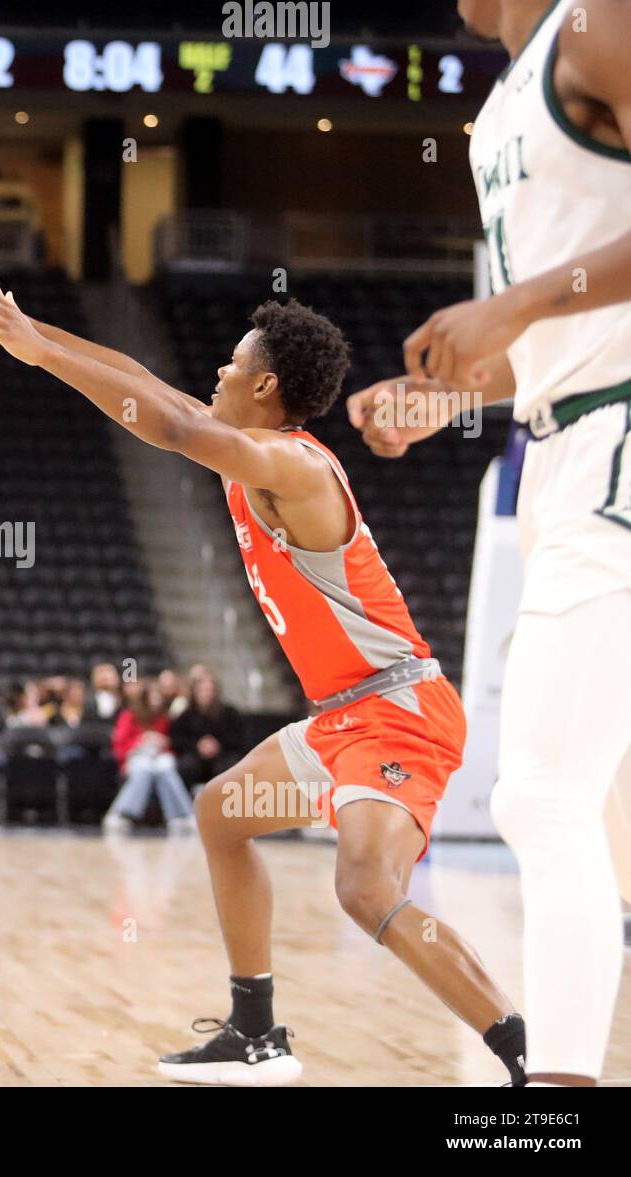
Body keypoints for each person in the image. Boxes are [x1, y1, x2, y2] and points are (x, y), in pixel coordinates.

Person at [0, 231, 527, 1086]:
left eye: (229, 363)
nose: (214, 373)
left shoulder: (290, 464)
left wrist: (40, 351)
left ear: (264, 385)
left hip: (397, 711)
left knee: (366, 889)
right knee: (223, 811)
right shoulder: (244, 446)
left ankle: (526, 1053)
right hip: (345, 712)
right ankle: (256, 1031)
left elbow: (170, 416)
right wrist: (32, 334)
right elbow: (146, 388)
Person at [346, 0, 631, 1089]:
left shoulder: (596, 27)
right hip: (562, 449)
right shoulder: (499, 104)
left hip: (617, 438)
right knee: (596, 806)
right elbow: (555, 337)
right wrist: (444, 397)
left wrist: (509, 304)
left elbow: (539, 311)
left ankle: (551, 1099)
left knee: (541, 794)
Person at [103, 678, 197, 835]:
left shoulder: (166, 719)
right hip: (135, 757)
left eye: (159, 697)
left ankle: (181, 815)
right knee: (144, 769)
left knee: (166, 768)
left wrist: (164, 743)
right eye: (152, 697)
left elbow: (175, 745)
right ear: (144, 698)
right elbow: (119, 745)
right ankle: (122, 813)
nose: (155, 702)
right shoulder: (129, 715)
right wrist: (141, 741)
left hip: (160, 757)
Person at [170, 667, 245, 787]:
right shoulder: (186, 715)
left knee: (231, 766)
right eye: (203, 690)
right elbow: (177, 740)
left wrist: (218, 746)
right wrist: (197, 746)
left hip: (223, 756)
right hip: (194, 757)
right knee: (185, 766)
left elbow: (239, 739)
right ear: (195, 693)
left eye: (210, 690)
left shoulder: (230, 713)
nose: (207, 694)